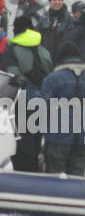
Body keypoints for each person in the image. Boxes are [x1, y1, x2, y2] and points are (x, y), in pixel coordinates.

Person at [39, 41, 85, 176]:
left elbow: (42, 109)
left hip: (58, 136)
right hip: (83, 136)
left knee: (55, 176)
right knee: (77, 175)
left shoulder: (52, 79)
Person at [1, 15, 52, 172]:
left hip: (22, 103)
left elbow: (12, 76)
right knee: (37, 142)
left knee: (22, 146)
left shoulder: (12, 49)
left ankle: (24, 178)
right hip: (44, 102)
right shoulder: (43, 49)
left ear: (16, 30)